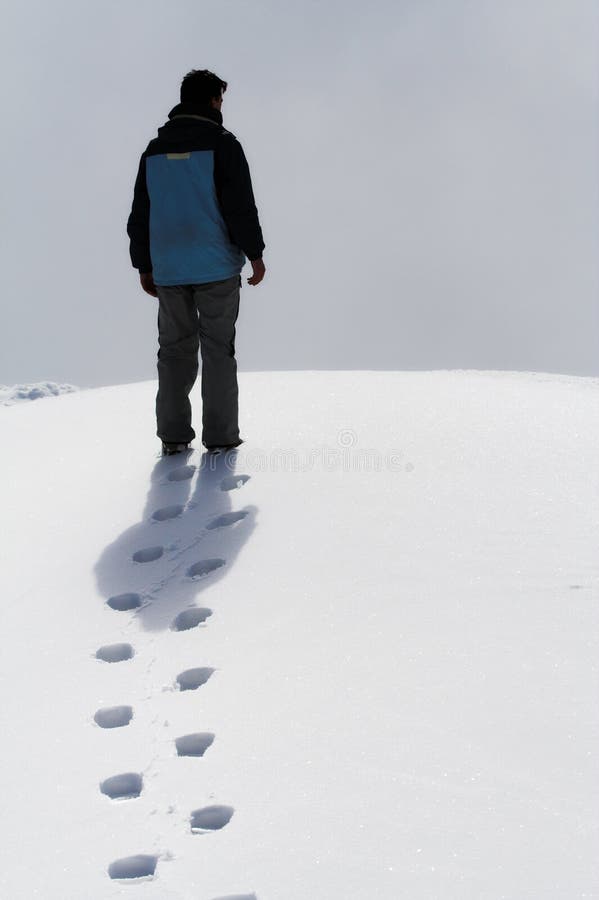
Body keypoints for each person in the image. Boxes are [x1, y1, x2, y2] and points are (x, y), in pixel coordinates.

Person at [126, 69, 266, 456]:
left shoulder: (153, 149)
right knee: (218, 349)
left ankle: (173, 438)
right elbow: (239, 206)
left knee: (173, 351)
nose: (222, 105)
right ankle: (220, 440)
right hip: (216, 265)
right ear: (211, 101)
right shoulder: (223, 145)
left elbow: (141, 212)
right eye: (220, 99)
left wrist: (144, 264)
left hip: (169, 267)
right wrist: (255, 254)